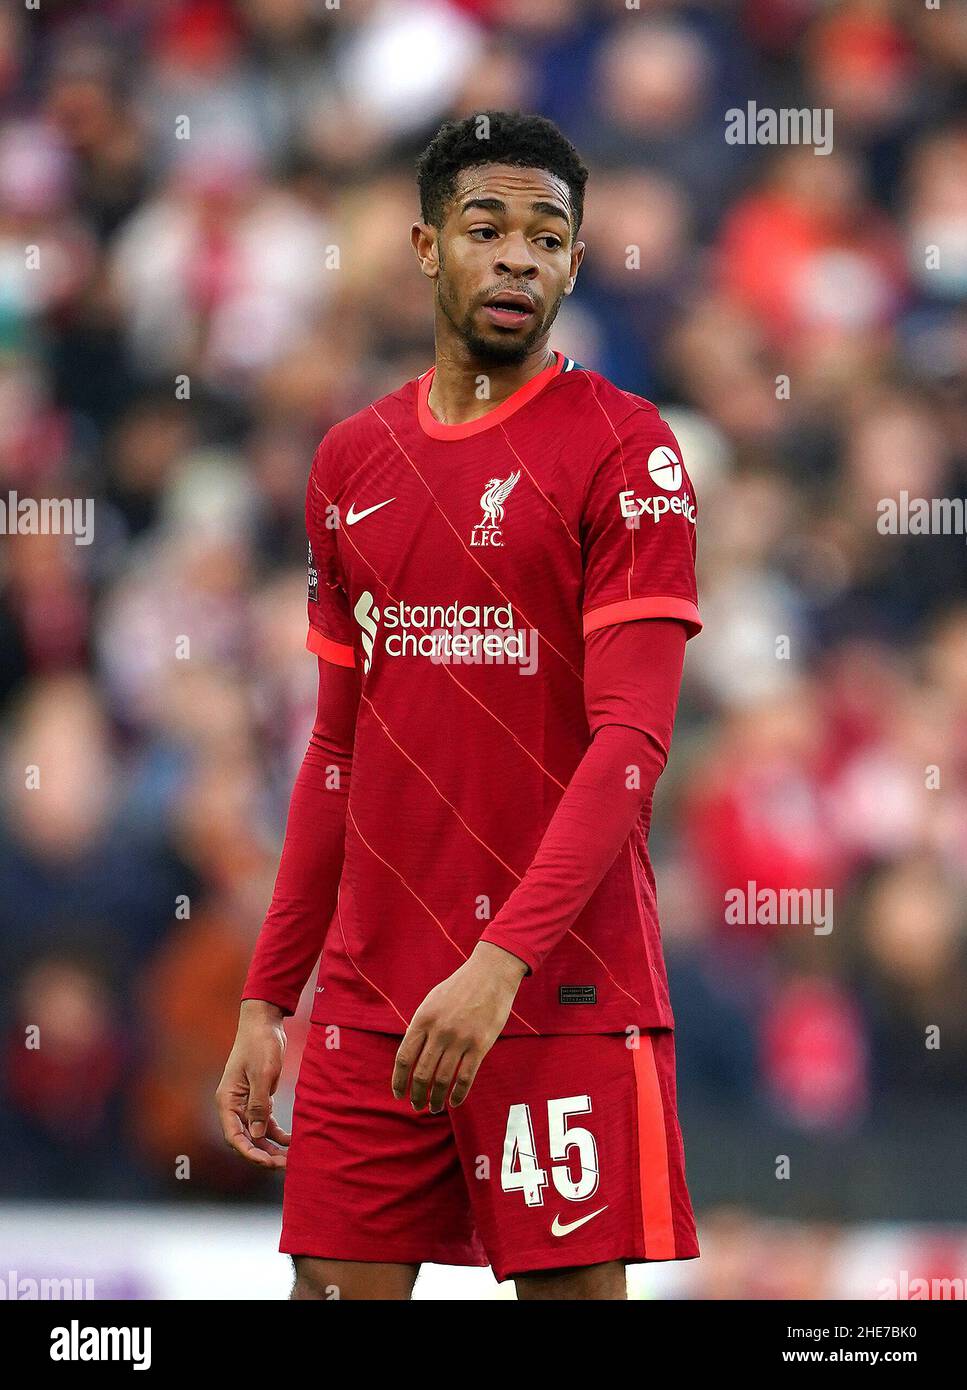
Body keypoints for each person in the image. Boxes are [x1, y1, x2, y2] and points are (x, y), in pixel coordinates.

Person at [216, 110, 702, 1301]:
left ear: (577, 263)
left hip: (559, 998)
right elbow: (337, 749)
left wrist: (499, 964)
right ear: (427, 246)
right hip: (373, 1004)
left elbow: (631, 743)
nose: (519, 257)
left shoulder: (627, 453)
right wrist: (270, 992)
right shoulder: (350, 461)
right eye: (488, 228)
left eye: (548, 236)